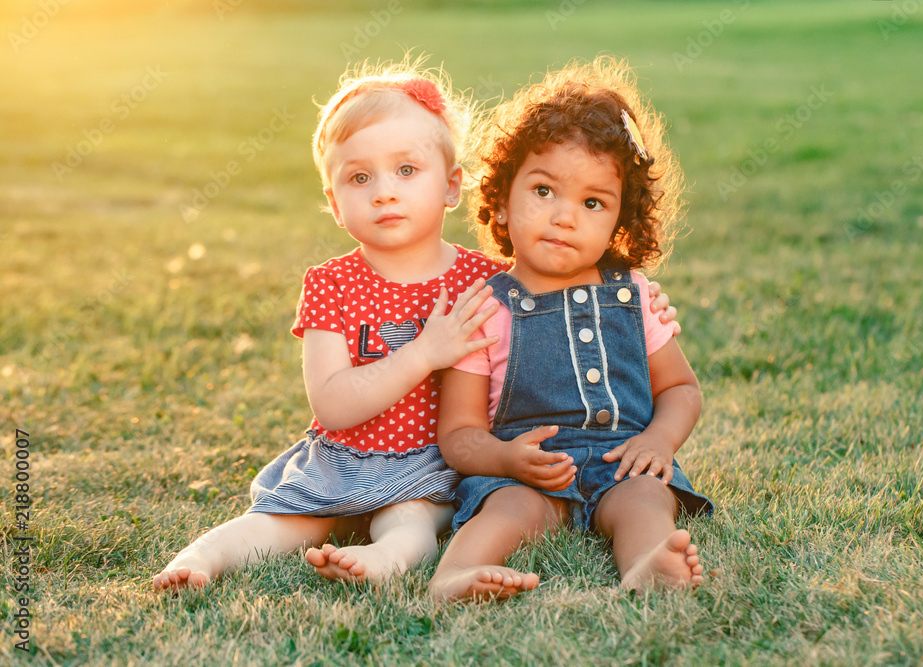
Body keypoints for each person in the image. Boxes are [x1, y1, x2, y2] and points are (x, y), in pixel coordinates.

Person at [153, 59, 679, 592]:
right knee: (277, 523)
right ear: (334, 203)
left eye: (406, 170)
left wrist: (643, 303)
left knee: (412, 525)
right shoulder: (333, 285)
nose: (383, 191)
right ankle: (199, 560)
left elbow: (555, 293)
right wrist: (425, 352)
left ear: (452, 187)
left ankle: (381, 562)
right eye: (360, 177)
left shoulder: (485, 280)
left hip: (429, 473)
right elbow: (332, 405)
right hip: (344, 458)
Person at [429, 57, 714, 602]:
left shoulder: (633, 296)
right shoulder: (486, 309)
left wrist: (658, 440)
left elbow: (681, 388)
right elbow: (459, 435)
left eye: (592, 202)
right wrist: (507, 460)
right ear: (504, 199)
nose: (565, 216)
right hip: (525, 473)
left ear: (618, 223)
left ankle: (648, 565)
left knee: (645, 500)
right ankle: (455, 575)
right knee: (508, 509)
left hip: (620, 462)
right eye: (543, 191)